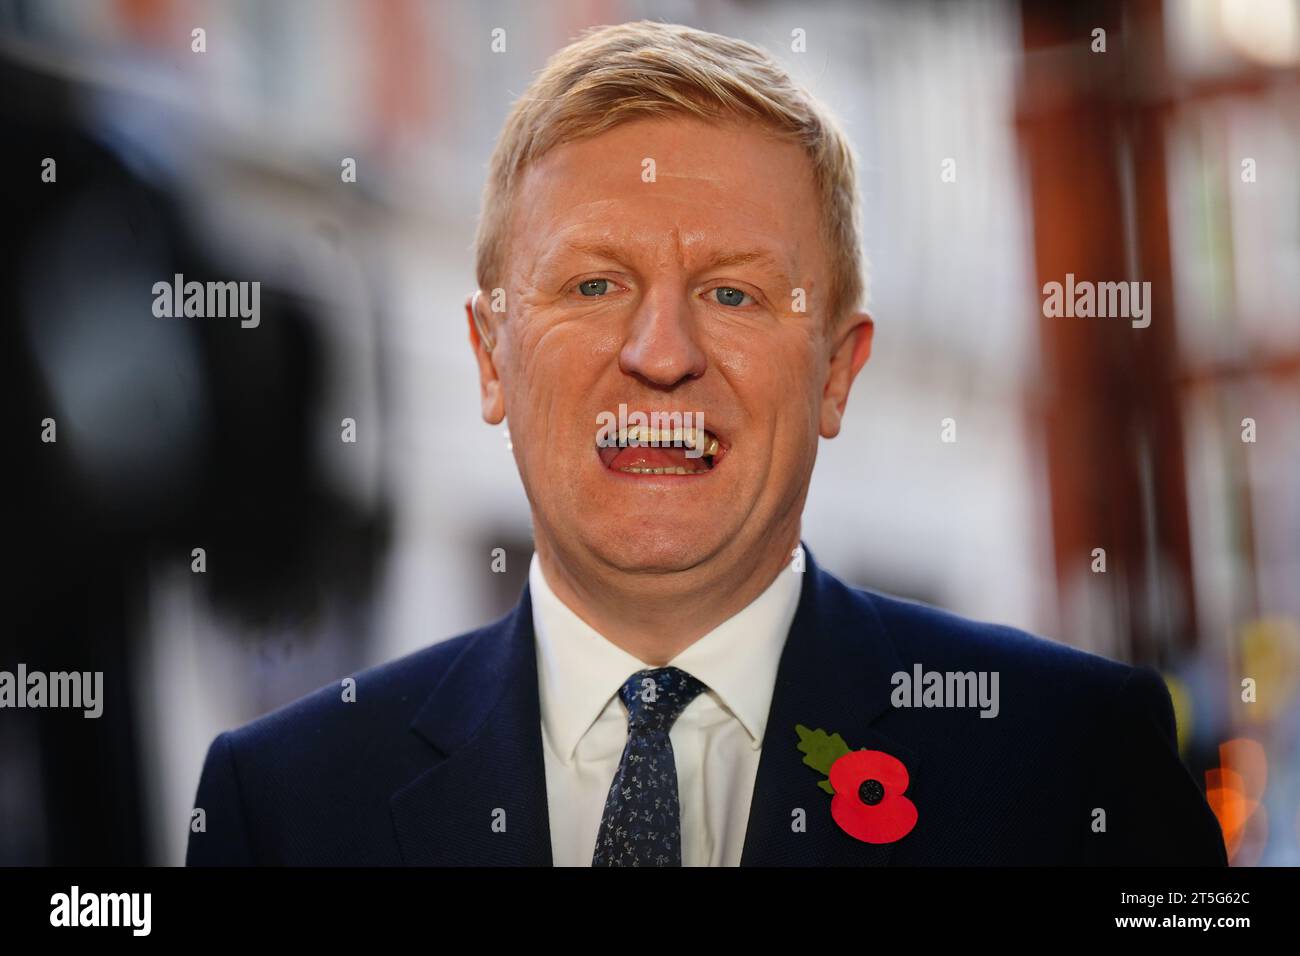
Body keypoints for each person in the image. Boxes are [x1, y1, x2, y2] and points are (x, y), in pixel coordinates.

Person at [187, 20, 1226, 866]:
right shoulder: (280, 805)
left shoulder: (1076, 761)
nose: (660, 352)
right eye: (594, 285)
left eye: (731, 291)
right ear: (491, 355)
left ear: (836, 370)